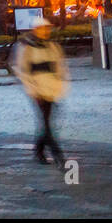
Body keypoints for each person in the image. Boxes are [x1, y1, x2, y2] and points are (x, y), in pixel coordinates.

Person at [11, 16, 69, 165]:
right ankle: (57, 154)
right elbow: (23, 70)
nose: (45, 32)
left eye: (47, 29)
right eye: (42, 29)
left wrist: (60, 86)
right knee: (46, 122)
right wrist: (32, 89)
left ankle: (39, 151)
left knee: (46, 122)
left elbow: (60, 67)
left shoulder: (52, 46)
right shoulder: (26, 47)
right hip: (37, 89)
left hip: (50, 89)